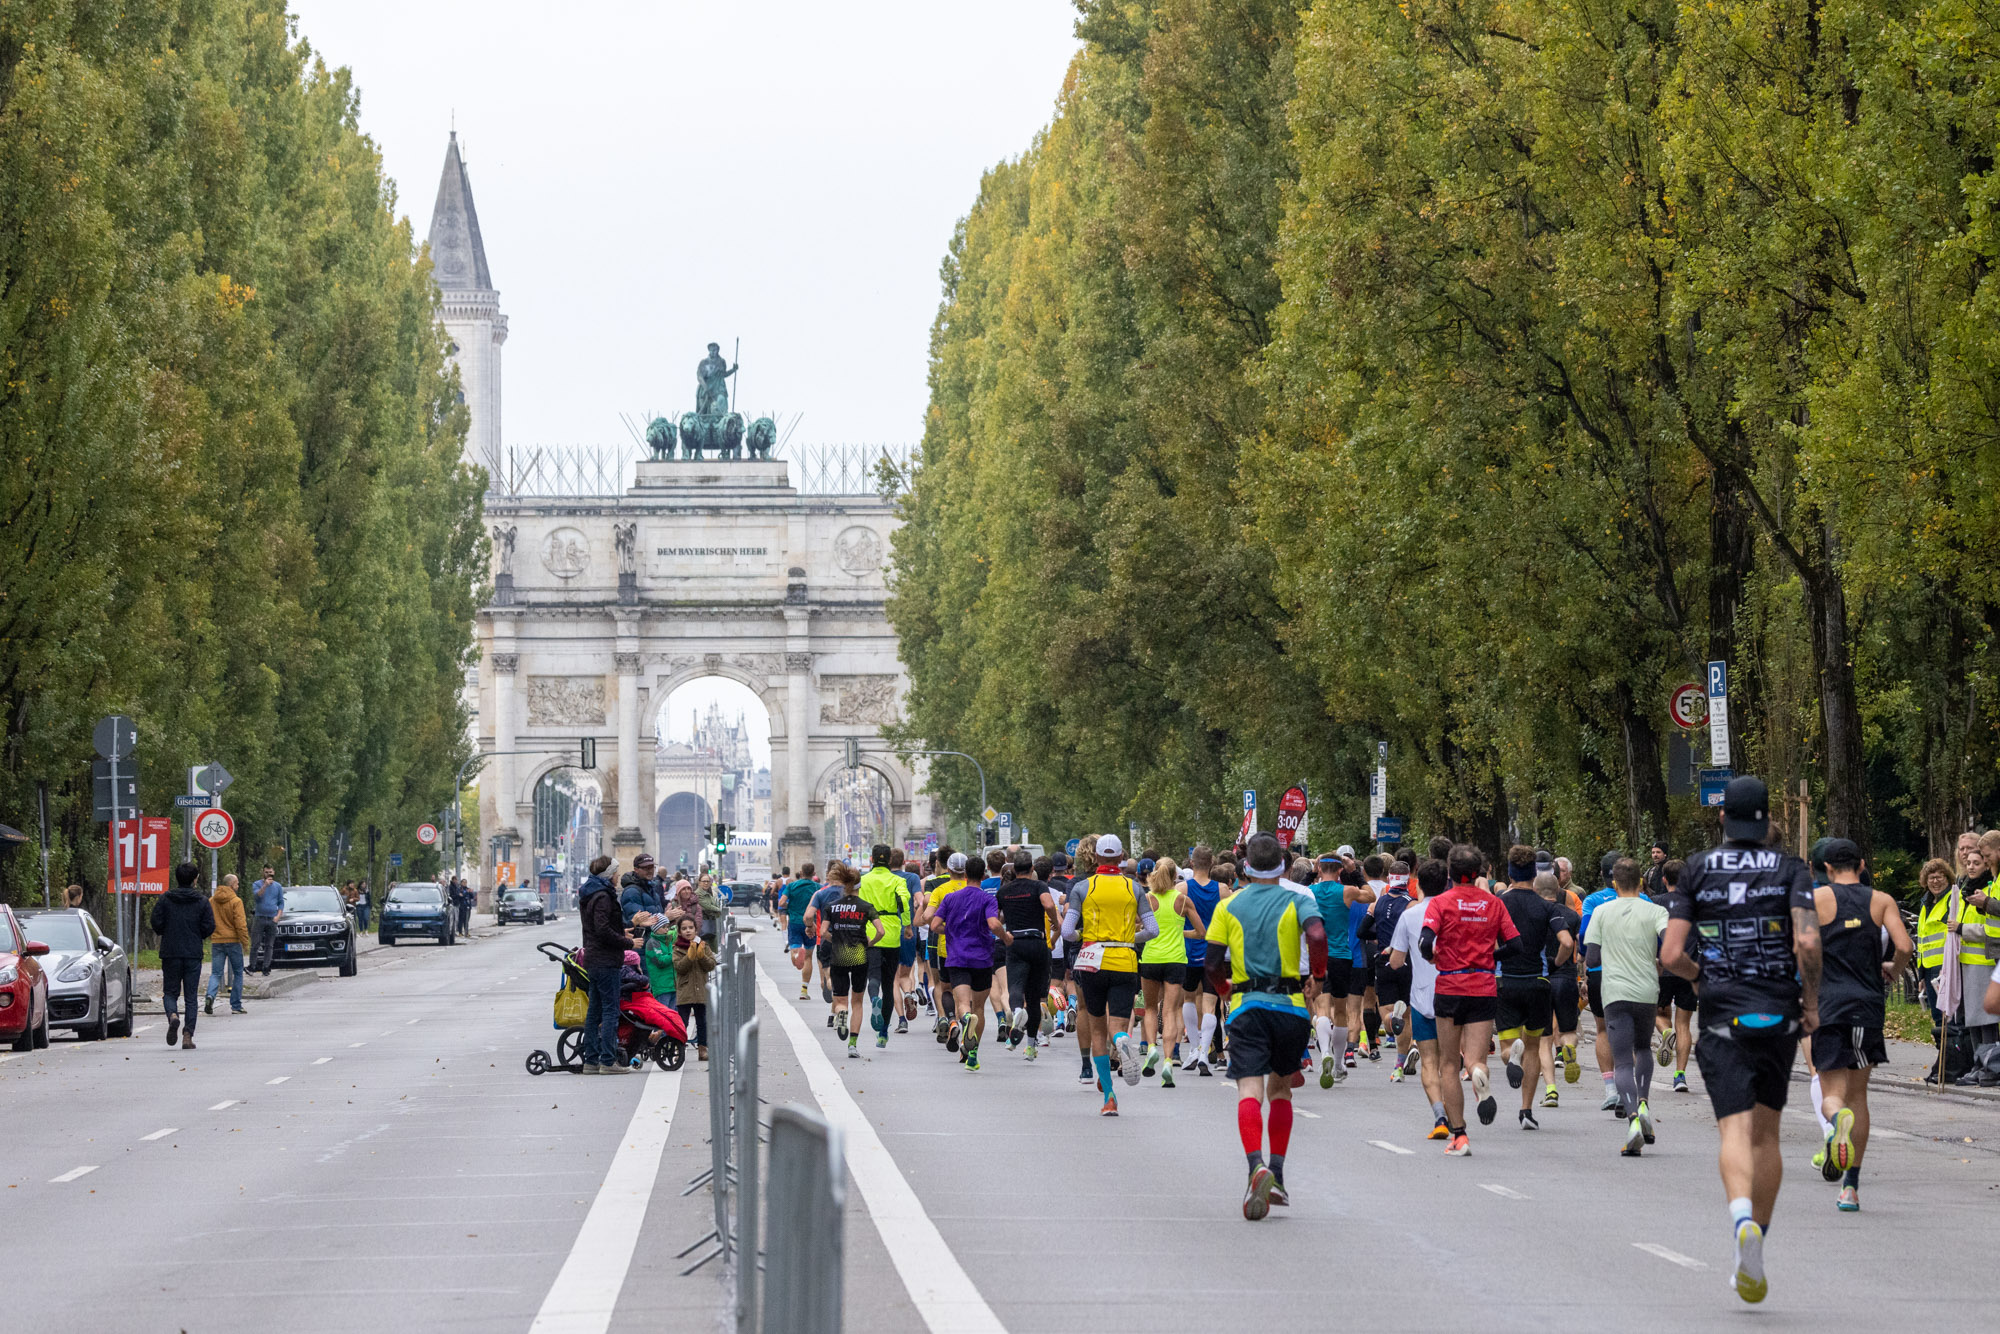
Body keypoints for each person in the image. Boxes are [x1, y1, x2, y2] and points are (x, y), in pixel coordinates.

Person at [1660, 775, 1819, 1305]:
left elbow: (1670, 955)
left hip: (1724, 1013)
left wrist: (1700, 976)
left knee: (1733, 1129)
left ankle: (1740, 1219)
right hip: (1778, 1014)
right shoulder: (1791, 868)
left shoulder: (1699, 869)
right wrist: (1811, 1003)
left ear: (1722, 817)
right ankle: (1758, 1244)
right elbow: (1807, 940)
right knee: (1766, 1136)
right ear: (1766, 817)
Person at [1204, 831, 1327, 1219]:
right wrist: (1318, 977)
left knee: (1248, 1090)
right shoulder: (1299, 899)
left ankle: (1255, 1164)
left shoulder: (1230, 906)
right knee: (1281, 1092)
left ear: (1245, 866)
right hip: (1291, 1007)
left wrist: (1225, 989)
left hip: (1246, 1005)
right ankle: (1277, 1173)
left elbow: (1210, 964)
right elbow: (1318, 934)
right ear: (1284, 865)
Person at [1810, 838, 1911, 1209]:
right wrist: (1893, 971)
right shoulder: (1881, 900)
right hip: (1868, 1005)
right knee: (1859, 1094)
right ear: (1863, 864)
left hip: (1828, 1004)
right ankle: (1850, 1188)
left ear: (1828, 869)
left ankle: (1837, 1122)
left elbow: (1800, 950)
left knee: (1833, 1094)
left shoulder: (1816, 901)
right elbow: (1904, 946)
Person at [1420, 844, 1520, 1155]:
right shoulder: (1494, 903)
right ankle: (1478, 1073)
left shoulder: (1440, 903)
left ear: (1449, 872)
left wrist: (1435, 955)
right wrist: (1493, 956)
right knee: (1476, 1059)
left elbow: (1425, 942)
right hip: (1483, 984)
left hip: (1450, 984)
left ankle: (1460, 1136)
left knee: (1449, 1064)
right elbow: (1515, 945)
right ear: (1478, 873)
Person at [1062, 834, 1159, 1114]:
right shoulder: (1134, 889)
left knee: (1097, 1029)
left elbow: (1068, 931)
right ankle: (1122, 1041)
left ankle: (1110, 1099)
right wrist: (1130, 938)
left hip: (1092, 961)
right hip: (1125, 960)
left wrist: (1085, 935)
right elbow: (1153, 930)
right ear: (1120, 858)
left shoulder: (1083, 887)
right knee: (1117, 1027)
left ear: (1096, 858)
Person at [1587, 857, 1670, 1157]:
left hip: (1615, 992)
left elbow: (1592, 959)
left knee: (1622, 1061)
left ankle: (1633, 1118)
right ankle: (1645, 1102)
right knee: (1644, 1049)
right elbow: (1669, 945)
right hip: (1647, 990)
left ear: (1613, 883)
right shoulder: (1656, 910)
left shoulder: (1600, 911)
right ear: (1641, 882)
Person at [1496, 845, 1572, 1130]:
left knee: (1508, 1046)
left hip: (1505, 981)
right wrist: (1554, 965)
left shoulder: (1498, 904)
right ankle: (1526, 1111)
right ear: (1534, 874)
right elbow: (1566, 942)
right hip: (1538, 982)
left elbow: (1490, 940)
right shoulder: (1547, 906)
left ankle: (1509, 1057)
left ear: (1510, 872)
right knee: (1534, 1047)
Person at [923, 856, 1010, 1072]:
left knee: (962, 1002)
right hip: (981, 959)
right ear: (983, 875)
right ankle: (972, 1055)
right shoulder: (988, 900)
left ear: (965, 874)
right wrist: (1005, 937)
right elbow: (992, 923)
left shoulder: (950, 898)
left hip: (957, 958)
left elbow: (933, 924)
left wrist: (951, 931)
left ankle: (965, 1018)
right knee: (979, 1006)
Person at [1389, 860, 1448, 1138]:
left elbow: (1397, 962)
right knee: (1450, 1062)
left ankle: (1440, 1116)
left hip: (1423, 997)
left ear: (1418, 884)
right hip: (1455, 993)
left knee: (1429, 1062)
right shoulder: (1455, 911)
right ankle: (1455, 1110)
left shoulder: (1410, 916)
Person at [1137, 857, 1202, 1083]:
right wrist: (1181, 934)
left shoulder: (1147, 900)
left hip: (1151, 958)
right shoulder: (1183, 901)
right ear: (1176, 877)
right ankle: (1167, 1061)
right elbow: (1201, 932)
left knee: (1150, 1008)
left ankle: (1152, 1047)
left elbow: (1136, 926)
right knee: (1170, 1011)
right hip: (1176, 960)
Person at [996, 854, 1059, 1060]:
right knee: (1033, 997)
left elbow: (998, 918)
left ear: (1014, 870)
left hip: (1015, 943)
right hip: (1037, 942)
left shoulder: (1004, 891)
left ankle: (1016, 1013)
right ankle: (1031, 1046)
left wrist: (1005, 933)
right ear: (1032, 868)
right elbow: (1049, 905)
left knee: (1015, 986)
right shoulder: (1038, 886)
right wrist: (1054, 923)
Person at [152, 862, 215, 1050]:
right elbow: (209, 926)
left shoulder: (165, 899)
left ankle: (172, 1015)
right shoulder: (202, 901)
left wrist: (167, 931)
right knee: (191, 996)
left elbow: (156, 922)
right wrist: (197, 935)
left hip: (170, 952)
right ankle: (188, 1035)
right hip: (193, 953)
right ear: (195, 880)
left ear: (177, 879)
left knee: (170, 992)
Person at [577, 855, 630, 1074]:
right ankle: (608, 1060)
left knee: (595, 1011)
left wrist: (622, 931)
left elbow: (600, 927)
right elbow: (602, 929)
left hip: (595, 958)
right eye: (616, 872)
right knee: (610, 1011)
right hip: (606, 959)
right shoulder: (603, 896)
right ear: (609, 875)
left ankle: (591, 1060)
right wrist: (626, 941)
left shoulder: (591, 893)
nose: (618, 876)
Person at [857, 845, 913, 1050]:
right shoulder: (898, 880)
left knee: (873, 977)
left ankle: (873, 999)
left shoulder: (863, 880)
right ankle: (883, 1034)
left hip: (870, 933)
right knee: (889, 984)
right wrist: (907, 925)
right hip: (891, 934)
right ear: (889, 860)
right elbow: (904, 902)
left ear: (871, 859)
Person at [1578, 852, 1623, 1111]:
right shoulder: (1643, 899)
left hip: (1600, 971)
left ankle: (1610, 1089)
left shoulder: (1593, 901)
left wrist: (1584, 971)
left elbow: (1584, 936)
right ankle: (1630, 1087)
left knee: (1603, 1029)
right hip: (1632, 972)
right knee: (1628, 1029)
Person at [1536, 872, 1582, 1106]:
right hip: (1566, 978)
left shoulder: (1534, 914)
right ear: (1558, 890)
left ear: (1536, 890)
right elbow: (1575, 946)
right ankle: (1567, 1049)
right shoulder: (1572, 916)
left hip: (1541, 979)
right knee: (1568, 1030)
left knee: (1544, 1040)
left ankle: (1551, 1090)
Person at [1306, 854, 1352, 1087]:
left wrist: (1312, 872)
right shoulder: (1346, 891)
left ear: (1320, 868)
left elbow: (1298, 890)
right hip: (1342, 955)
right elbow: (1372, 895)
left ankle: (1324, 1051)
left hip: (1318, 954)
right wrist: (1352, 871)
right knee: (1341, 1011)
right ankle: (1338, 1063)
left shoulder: (1310, 892)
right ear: (1340, 870)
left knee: (1321, 1007)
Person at [1179, 844, 1224, 1075]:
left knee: (1188, 998)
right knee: (1210, 1004)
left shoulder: (1182, 889)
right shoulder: (1224, 890)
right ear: (1212, 864)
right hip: (1214, 953)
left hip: (1188, 952)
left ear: (1192, 863)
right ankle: (1205, 1053)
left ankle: (1194, 1051)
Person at [1912, 857, 1955, 1083]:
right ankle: (1944, 1060)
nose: (1935, 881)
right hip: (1929, 969)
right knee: (1937, 1017)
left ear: (1947, 878)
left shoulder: (1951, 899)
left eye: (1940, 877)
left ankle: (1949, 1062)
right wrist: (1920, 975)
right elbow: (1922, 940)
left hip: (1945, 967)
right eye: (1931, 878)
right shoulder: (1925, 902)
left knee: (1947, 1017)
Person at [204, 873, 250, 1016]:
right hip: (233, 941)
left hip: (217, 941)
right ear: (231, 885)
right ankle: (236, 1005)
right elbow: (240, 924)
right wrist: (245, 942)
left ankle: (210, 996)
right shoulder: (236, 901)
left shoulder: (212, 900)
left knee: (216, 973)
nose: (238, 886)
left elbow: (208, 920)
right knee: (238, 972)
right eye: (237, 883)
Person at [672, 917, 717, 1061]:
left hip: (701, 990)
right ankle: (679, 1048)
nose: (688, 931)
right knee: (682, 1022)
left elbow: (711, 965)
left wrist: (701, 955)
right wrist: (690, 956)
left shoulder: (703, 945)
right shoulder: (677, 948)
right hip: (685, 990)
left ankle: (703, 1049)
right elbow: (680, 967)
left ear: (695, 929)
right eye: (684, 928)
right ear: (679, 931)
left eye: (690, 928)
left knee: (702, 1022)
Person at [779, 864, 819, 998]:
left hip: (794, 922)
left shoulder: (792, 886)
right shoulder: (817, 887)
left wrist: (789, 905)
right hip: (810, 924)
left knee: (795, 951)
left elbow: (781, 903)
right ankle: (804, 991)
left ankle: (796, 956)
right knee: (808, 957)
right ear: (813, 873)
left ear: (801, 872)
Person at [249, 864, 284, 975]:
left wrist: (278, 916)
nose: (269, 874)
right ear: (263, 873)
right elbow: (257, 897)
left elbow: (281, 902)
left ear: (273, 872)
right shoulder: (257, 884)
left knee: (269, 945)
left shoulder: (278, 886)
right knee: (255, 943)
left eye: (270, 872)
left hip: (272, 918)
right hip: (259, 917)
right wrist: (265, 885)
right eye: (266, 872)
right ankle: (252, 966)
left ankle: (266, 967)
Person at [621, 855, 665, 926]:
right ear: (636, 870)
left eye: (651, 867)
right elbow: (639, 923)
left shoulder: (652, 888)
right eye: (646, 868)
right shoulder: (632, 891)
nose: (650, 871)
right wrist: (666, 917)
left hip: (654, 936)